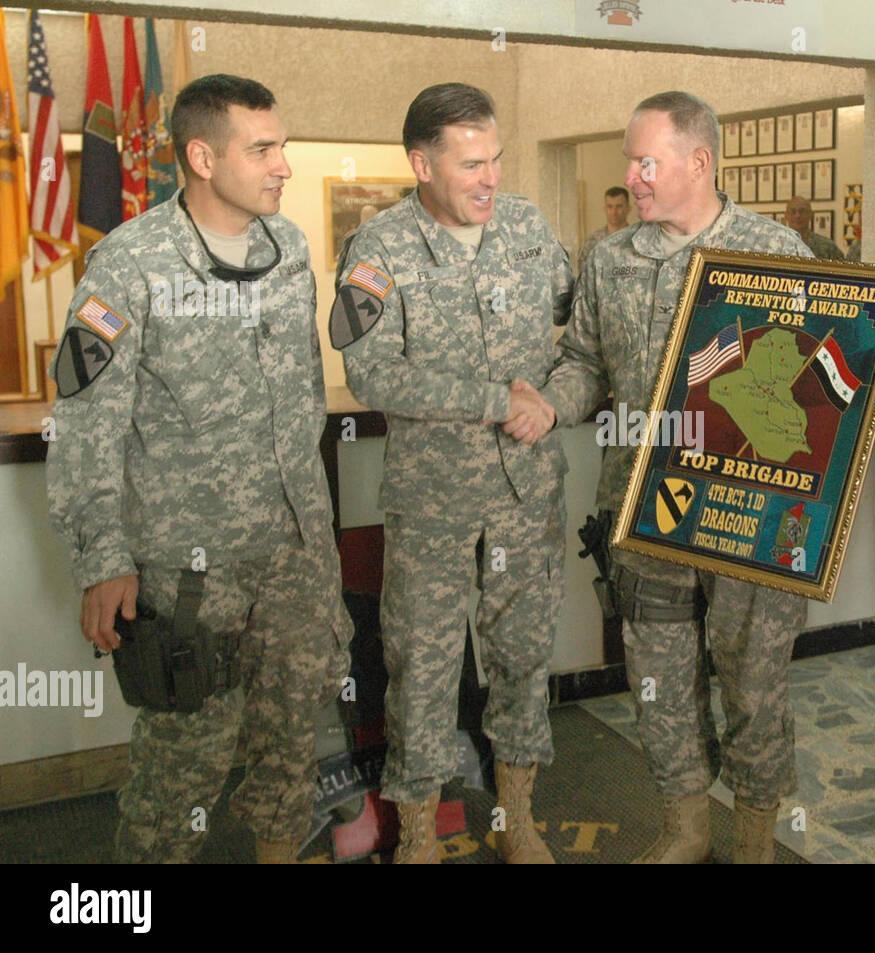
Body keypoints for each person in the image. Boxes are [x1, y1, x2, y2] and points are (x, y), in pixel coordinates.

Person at [527, 91, 875, 863]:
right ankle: (685, 828)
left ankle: (753, 841)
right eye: (631, 163)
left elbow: (839, 352)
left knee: (753, 685)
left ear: (699, 161)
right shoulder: (609, 258)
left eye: (647, 163)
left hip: (753, 516)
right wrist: (547, 403)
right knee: (659, 682)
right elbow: (583, 364)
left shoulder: (773, 248)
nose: (632, 178)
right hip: (647, 512)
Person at [45, 74, 352, 864]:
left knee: (291, 749)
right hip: (190, 571)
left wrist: (319, 548)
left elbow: (301, 402)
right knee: (180, 771)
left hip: (293, 556)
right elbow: (86, 423)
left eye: (282, 145)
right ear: (203, 157)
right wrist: (103, 558)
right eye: (263, 149)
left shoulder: (289, 251)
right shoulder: (130, 264)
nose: (284, 165)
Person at [331, 83, 571, 864]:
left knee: (523, 659)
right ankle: (417, 837)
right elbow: (372, 374)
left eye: (495, 159)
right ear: (422, 164)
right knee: (422, 668)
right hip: (432, 502)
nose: (490, 178)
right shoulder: (378, 249)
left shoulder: (529, 228)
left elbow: (582, 331)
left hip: (526, 493)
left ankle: (517, 817)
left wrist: (553, 404)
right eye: (471, 164)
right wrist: (494, 400)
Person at [577, 186, 631, 273]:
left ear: (628, 208)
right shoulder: (592, 242)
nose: (614, 212)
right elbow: (583, 273)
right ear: (605, 209)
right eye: (610, 206)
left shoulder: (638, 240)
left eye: (619, 206)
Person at [784, 194, 843, 260]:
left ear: (811, 215)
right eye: (793, 212)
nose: (797, 216)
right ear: (786, 216)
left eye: (802, 211)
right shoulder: (777, 245)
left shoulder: (828, 247)